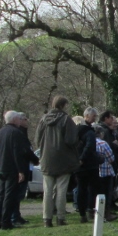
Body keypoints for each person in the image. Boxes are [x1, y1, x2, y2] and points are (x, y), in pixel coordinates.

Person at [35, 96, 79, 227]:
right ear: (63, 105)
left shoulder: (43, 120)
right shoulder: (66, 120)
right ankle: (60, 217)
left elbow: (37, 140)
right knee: (61, 190)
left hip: (47, 159)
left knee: (47, 191)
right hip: (63, 159)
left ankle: (46, 219)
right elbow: (71, 140)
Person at [0, 111, 37, 230]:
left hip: (1, 167)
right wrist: (21, 170)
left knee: (1, 195)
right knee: (9, 196)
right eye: (18, 119)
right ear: (14, 120)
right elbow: (17, 152)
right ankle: (6, 222)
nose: (19, 121)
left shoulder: (0, 132)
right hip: (12, 168)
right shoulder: (16, 133)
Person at [75, 107, 100, 223]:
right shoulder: (89, 132)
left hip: (79, 165)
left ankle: (82, 213)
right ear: (86, 116)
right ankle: (90, 211)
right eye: (93, 116)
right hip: (89, 164)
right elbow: (90, 147)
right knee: (91, 189)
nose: (95, 118)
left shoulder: (76, 131)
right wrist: (82, 158)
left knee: (81, 189)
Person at [94, 128, 117, 220]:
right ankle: (106, 213)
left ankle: (94, 211)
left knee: (96, 193)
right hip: (105, 171)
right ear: (101, 134)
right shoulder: (103, 143)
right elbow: (111, 158)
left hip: (95, 171)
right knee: (107, 193)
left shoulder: (90, 143)